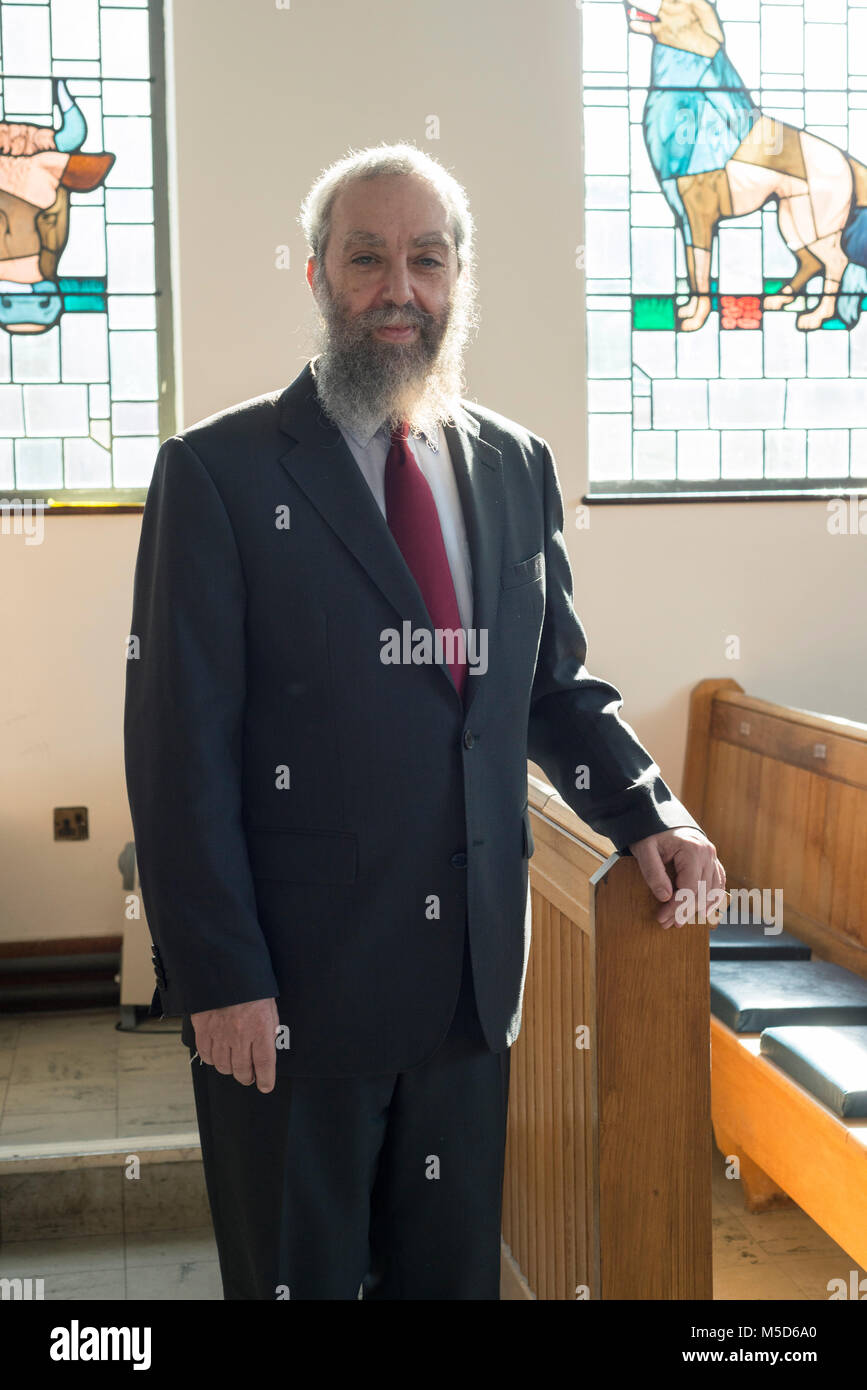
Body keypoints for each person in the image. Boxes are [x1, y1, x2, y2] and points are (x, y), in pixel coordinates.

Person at [124, 142, 725, 1301]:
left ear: (458, 282)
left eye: (426, 259)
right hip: (292, 999)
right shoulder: (218, 473)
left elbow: (553, 684)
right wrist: (219, 974)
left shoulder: (514, 463)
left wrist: (647, 810)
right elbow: (176, 749)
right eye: (366, 258)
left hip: (468, 987)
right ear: (316, 278)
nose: (398, 287)